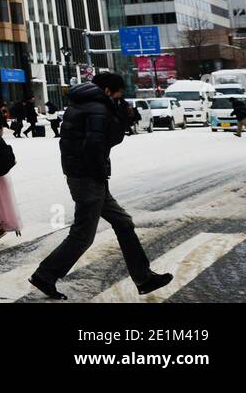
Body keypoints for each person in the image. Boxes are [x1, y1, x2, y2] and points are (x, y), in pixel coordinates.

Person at [29, 72, 172, 300]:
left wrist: (118, 116)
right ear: (107, 91)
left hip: (86, 175)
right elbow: (99, 143)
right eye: (117, 95)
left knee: (123, 223)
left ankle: (144, 277)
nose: (118, 98)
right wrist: (98, 172)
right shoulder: (97, 107)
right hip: (88, 177)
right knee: (83, 235)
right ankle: (45, 275)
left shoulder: (85, 104)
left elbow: (102, 137)